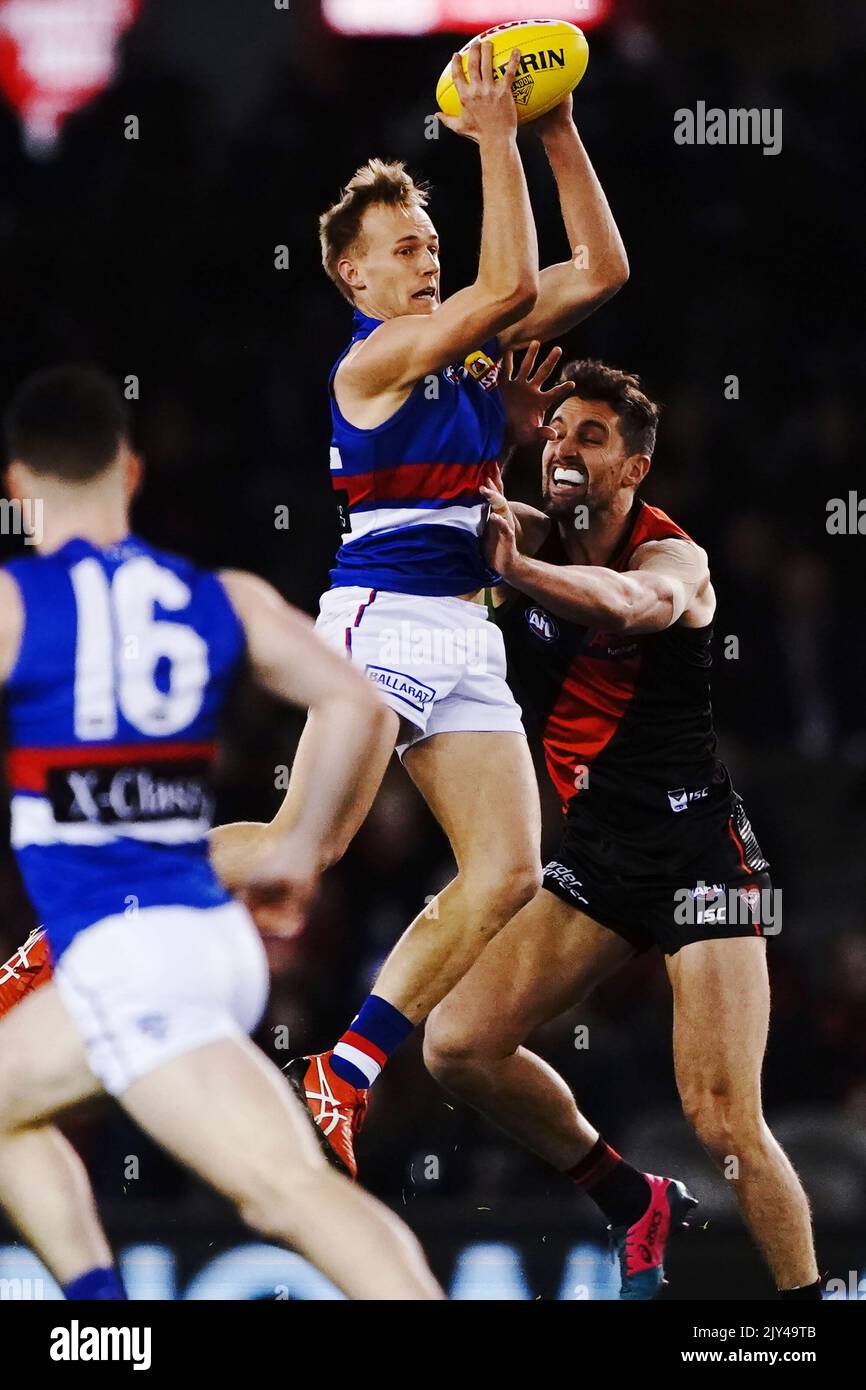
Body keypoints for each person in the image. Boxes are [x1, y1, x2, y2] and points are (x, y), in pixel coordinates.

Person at [219, 41, 630, 1182]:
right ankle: (84, 901)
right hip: (380, 621)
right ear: (351, 279)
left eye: (430, 244)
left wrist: (549, 122)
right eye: (403, 248)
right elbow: (506, 288)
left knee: (505, 870)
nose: (425, 260)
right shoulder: (375, 359)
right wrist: (493, 134)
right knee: (305, 846)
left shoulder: (459, 356)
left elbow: (597, 265)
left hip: (462, 627)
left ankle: (341, 1070)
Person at [0, 365, 442, 1301]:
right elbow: (357, 703)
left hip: (135, 956)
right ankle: (102, 1322)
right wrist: (296, 847)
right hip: (203, 939)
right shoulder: (223, 597)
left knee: (288, 1198)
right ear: (129, 472)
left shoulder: (15, 603)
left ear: (16, 488)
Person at [421, 358, 822, 1301]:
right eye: (558, 433)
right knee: (455, 1046)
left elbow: (637, 605)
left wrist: (519, 572)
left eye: (589, 437)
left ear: (634, 468)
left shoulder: (672, 558)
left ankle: (807, 1313)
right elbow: (427, 505)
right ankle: (630, 1196)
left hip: (700, 858)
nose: (565, 448)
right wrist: (500, 432)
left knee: (724, 1119)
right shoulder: (526, 530)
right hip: (599, 858)